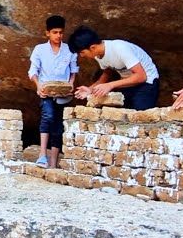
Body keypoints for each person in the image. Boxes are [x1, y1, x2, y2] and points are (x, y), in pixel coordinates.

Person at [66, 26, 162, 110]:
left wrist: (110, 85)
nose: (82, 56)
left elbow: (141, 76)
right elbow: (108, 72)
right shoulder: (98, 55)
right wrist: (91, 89)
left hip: (147, 83)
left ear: (93, 47)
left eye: (82, 52)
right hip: (128, 84)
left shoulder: (119, 48)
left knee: (139, 118)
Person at [28, 15, 78, 169]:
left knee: (58, 126)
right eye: (55, 32)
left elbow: (74, 70)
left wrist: (70, 84)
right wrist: (38, 86)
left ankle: (53, 162)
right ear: (47, 33)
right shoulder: (40, 50)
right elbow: (32, 71)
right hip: (46, 92)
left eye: (61, 32)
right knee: (47, 117)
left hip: (63, 95)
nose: (58, 36)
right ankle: (42, 154)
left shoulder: (70, 50)